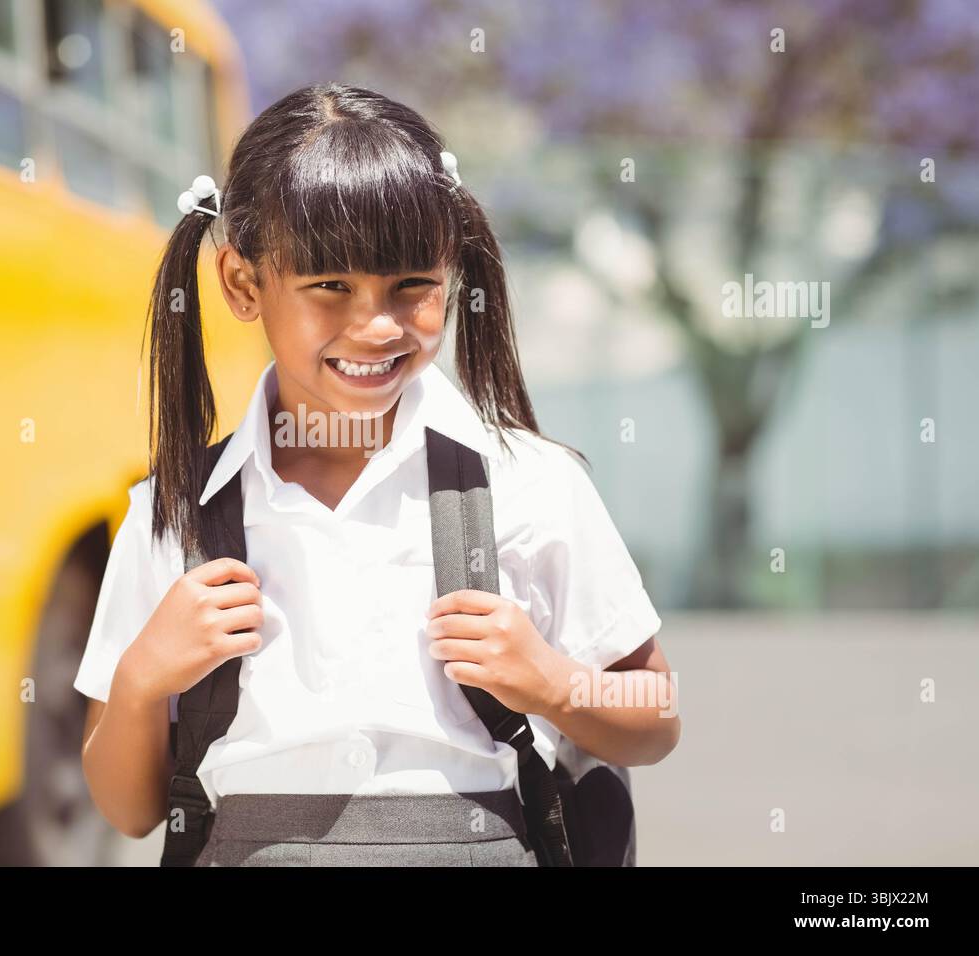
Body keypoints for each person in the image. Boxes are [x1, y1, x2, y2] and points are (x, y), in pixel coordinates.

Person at [76, 82, 679, 866]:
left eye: (412, 286)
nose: (378, 325)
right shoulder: (173, 516)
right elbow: (129, 811)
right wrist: (140, 682)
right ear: (242, 284)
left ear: (451, 274)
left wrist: (553, 685)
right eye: (331, 287)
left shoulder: (533, 485)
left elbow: (655, 714)